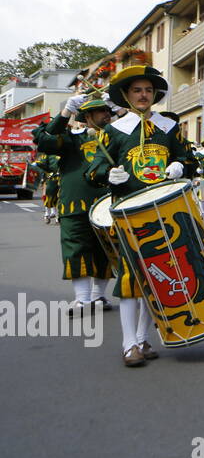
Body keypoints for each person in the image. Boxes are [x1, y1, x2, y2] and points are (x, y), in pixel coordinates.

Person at [86, 66, 192, 368]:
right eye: (137, 90)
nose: (143, 95)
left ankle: (144, 338)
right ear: (126, 95)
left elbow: (188, 158)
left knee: (157, 276)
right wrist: (110, 175)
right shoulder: (115, 131)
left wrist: (180, 166)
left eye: (148, 90)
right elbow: (92, 171)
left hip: (164, 211)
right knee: (132, 279)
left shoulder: (168, 127)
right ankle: (128, 344)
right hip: (129, 213)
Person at [32, 90, 117, 313]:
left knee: (106, 251)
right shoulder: (71, 138)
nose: (106, 115)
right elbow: (44, 139)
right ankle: (82, 299)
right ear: (87, 116)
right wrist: (66, 111)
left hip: (108, 205)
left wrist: (122, 109)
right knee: (75, 249)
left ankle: (99, 296)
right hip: (75, 205)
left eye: (108, 111)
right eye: (100, 112)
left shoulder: (116, 137)